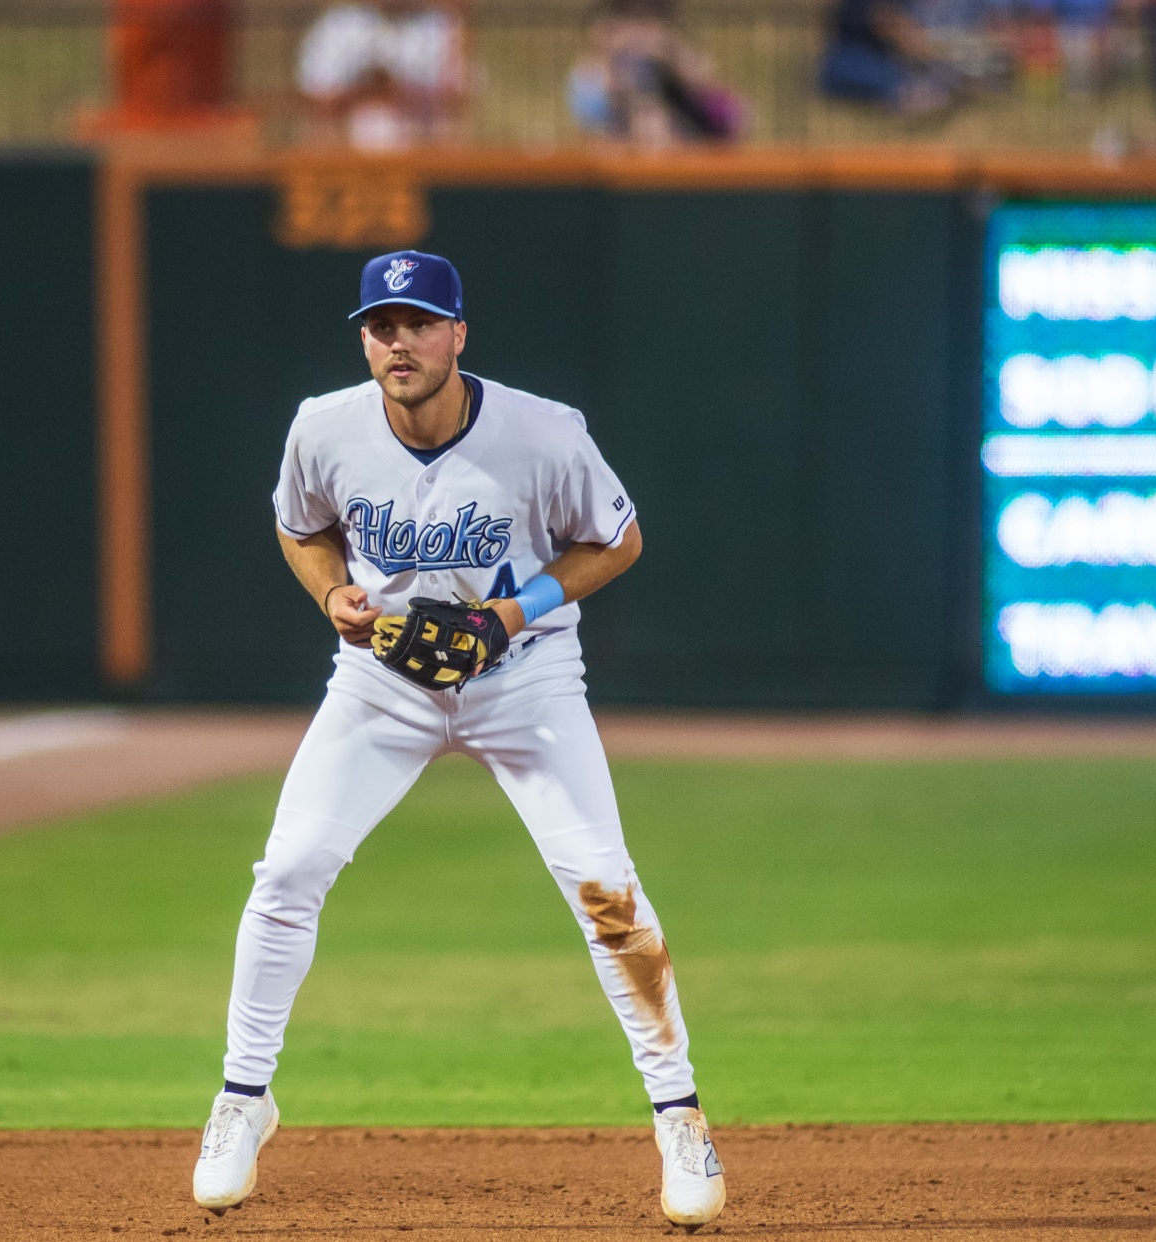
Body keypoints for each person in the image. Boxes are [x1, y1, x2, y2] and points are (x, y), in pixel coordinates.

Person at [189, 251, 726, 1230]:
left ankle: (680, 1115)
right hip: (381, 683)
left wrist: (511, 618)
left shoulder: (540, 433)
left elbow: (620, 539)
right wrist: (332, 595)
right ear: (365, 337)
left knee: (605, 889)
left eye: (420, 322)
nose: (399, 341)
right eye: (382, 324)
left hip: (523, 683)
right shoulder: (325, 427)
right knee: (289, 867)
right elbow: (298, 527)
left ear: (458, 334)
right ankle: (242, 1095)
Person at [296, 0, 466, 150]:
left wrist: (398, 90)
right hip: (344, 160)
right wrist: (368, 88)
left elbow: (459, 99)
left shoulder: (438, 25)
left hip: (422, 157)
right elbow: (317, 98)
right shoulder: (338, 24)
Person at [569, 0, 744, 144]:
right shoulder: (599, 63)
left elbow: (705, 82)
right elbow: (595, 101)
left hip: (675, 129)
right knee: (647, 117)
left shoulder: (669, 47)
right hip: (622, 129)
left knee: (655, 119)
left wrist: (668, 52)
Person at [819, 0, 957, 114]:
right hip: (858, 54)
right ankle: (902, 92)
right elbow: (878, 17)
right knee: (848, 68)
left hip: (894, 57)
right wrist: (905, 33)